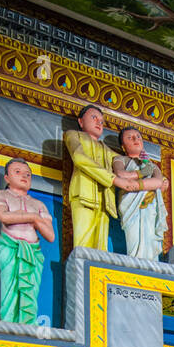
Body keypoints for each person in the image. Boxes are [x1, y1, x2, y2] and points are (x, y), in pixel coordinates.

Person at [64, 105, 139, 252]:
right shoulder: (73, 135)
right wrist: (113, 179)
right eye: (94, 118)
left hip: (105, 202)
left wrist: (158, 176)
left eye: (102, 121)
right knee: (83, 244)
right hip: (83, 195)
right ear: (80, 121)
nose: (99, 123)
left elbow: (130, 162)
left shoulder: (107, 150)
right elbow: (79, 158)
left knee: (100, 249)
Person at [0, 158, 55, 324]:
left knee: (30, 294)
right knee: (9, 292)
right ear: (7, 178)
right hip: (10, 248)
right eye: (17, 172)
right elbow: (4, 216)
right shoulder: (0, 195)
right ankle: (9, 328)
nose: (24, 176)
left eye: (28, 174)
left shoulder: (38, 204)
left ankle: (27, 329)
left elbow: (50, 235)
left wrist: (27, 217)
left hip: (33, 253)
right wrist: (33, 218)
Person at [112, 127, 168, 260]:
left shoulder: (152, 166)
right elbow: (120, 174)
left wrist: (135, 184)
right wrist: (141, 173)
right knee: (134, 240)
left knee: (149, 237)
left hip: (149, 207)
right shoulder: (120, 159)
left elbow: (158, 182)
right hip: (130, 205)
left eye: (138, 137)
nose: (135, 140)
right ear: (123, 146)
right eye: (129, 138)